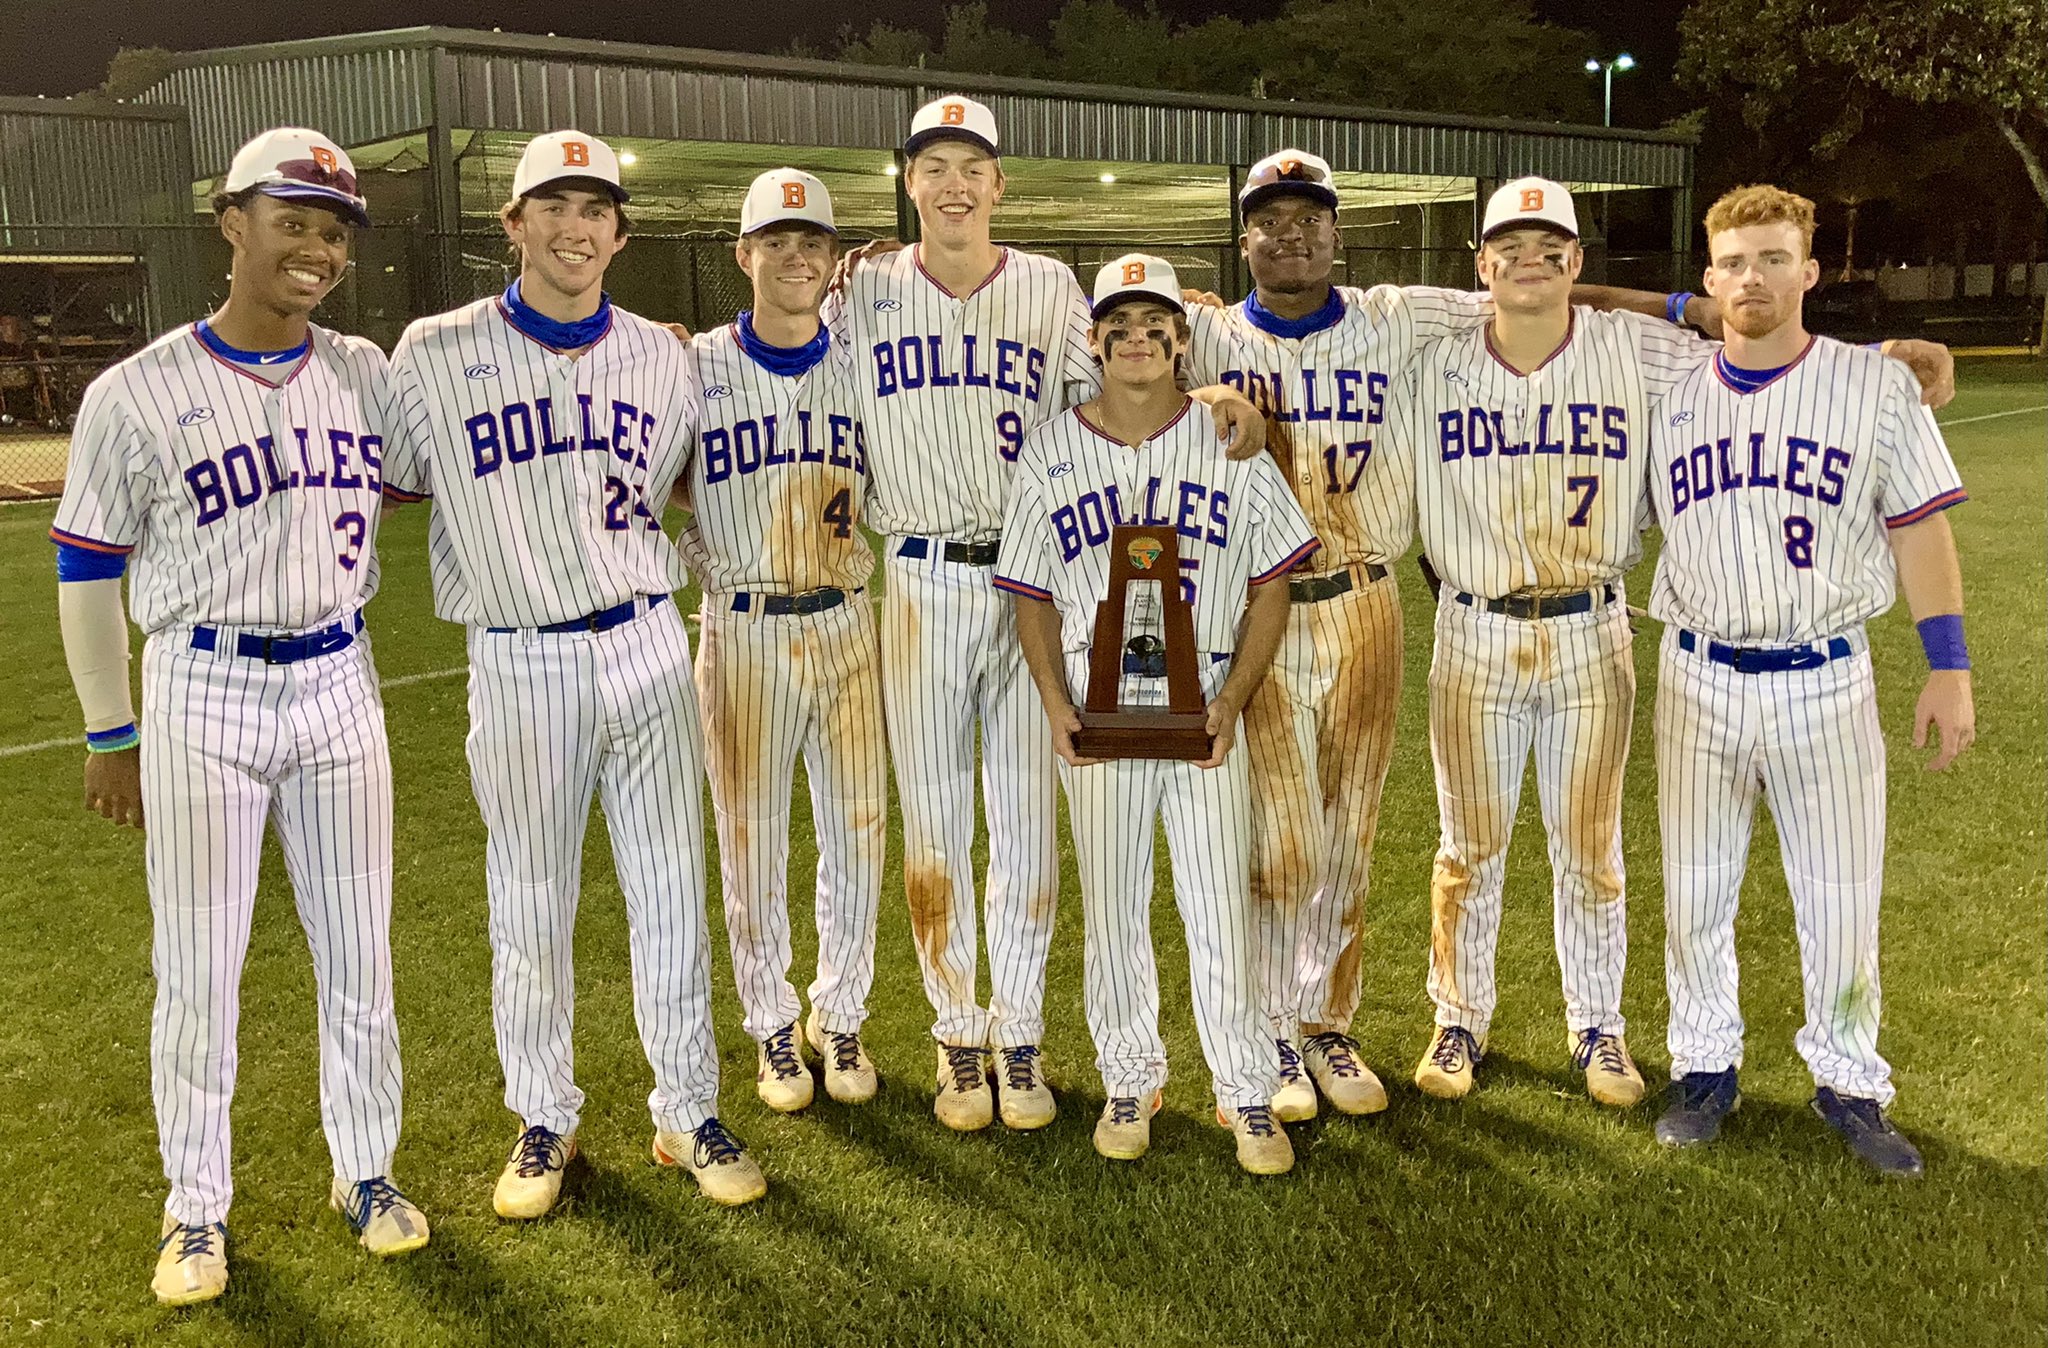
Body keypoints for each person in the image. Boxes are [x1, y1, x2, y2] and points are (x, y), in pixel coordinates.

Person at [1404, 178, 1958, 1109]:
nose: (1529, 261)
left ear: (1579, 264)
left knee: (1596, 853)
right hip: (1474, 629)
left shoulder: (1648, 353)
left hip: (1595, 626)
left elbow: (1770, 347)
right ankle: (1459, 1018)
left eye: (1552, 248)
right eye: (1510, 246)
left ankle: (1600, 1027)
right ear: (1481, 262)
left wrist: (1879, 355)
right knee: (1470, 845)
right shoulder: (1432, 355)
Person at [827, 95, 1262, 1132]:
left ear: (998, 185)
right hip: (923, 572)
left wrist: (1212, 389)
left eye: (970, 164)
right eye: (932, 164)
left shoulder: (1049, 287)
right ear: (908, 183)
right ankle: (955, 1039)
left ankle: (1018, 1036)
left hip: (1036, 579)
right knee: (934, 825)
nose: (952, 183)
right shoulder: (868, 286)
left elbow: (1134, 354)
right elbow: (791, 346)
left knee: (1024, 823)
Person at [50, 126, 427, 1305]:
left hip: (338, 679)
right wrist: (110, 729)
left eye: (332, 230)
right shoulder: (138, 388)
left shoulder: (366, 374)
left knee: (358, 949)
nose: (314, 248)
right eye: (292, 220)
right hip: (201, 690)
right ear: (231, 223)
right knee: (201, 967)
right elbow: (87, 565)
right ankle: (194, 1209)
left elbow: (458, 455)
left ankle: (364, 1169)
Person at [381, 129, 763, 1216]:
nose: (575, 227)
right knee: (530, 897)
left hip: (645, 640)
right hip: (518, 655)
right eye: (553, 205)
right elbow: (398, 483)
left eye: (595, 209)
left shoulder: (662, 354)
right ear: (513, 224)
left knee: (667, 890)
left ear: (618, 232)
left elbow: (691, 482)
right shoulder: (434, 349)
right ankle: (543, 1117)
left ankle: (687, 1108)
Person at [1646, 185, 1973, 1176]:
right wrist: (1668, 313)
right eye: (1734, 262)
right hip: (1694, 674)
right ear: (1708, 280)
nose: (1753, 277)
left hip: (1824, 677)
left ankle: (1847, 1078)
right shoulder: (1668, 389)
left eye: (1773, 257)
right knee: (1693, 890)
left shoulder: (1872, 386)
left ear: (1809, 270)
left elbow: (1918, 523)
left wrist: (1947, 666)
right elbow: (1575, 309)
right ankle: (1702, 1065)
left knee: (1837, 895)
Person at [997, 255, 1317, 1174]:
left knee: (1219, 904)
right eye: (1119, 326)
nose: (1137, 340)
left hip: (1204, 703)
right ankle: (1130, 1078)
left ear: (1183, 340)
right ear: (1094, 341)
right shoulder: (1053, 447)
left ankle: (1245, 1090)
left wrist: (1231, 702)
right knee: (1114, 905)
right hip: (1098, 708)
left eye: (1155, 326)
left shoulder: (1228, 440)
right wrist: (1056, 703)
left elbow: (1271, 585)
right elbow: (1032, 594)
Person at [677, 169, 885, 1112]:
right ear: (744, 253)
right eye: (777, 240)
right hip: (746, 626)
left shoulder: (866, 365)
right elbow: (662, 474)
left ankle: (838, 1020)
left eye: (814, 244)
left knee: (856, 833)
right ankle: (770, 1023)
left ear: (833, 262)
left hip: (844, 616)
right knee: (751, 841)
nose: (795, 256)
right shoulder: (691, 365)